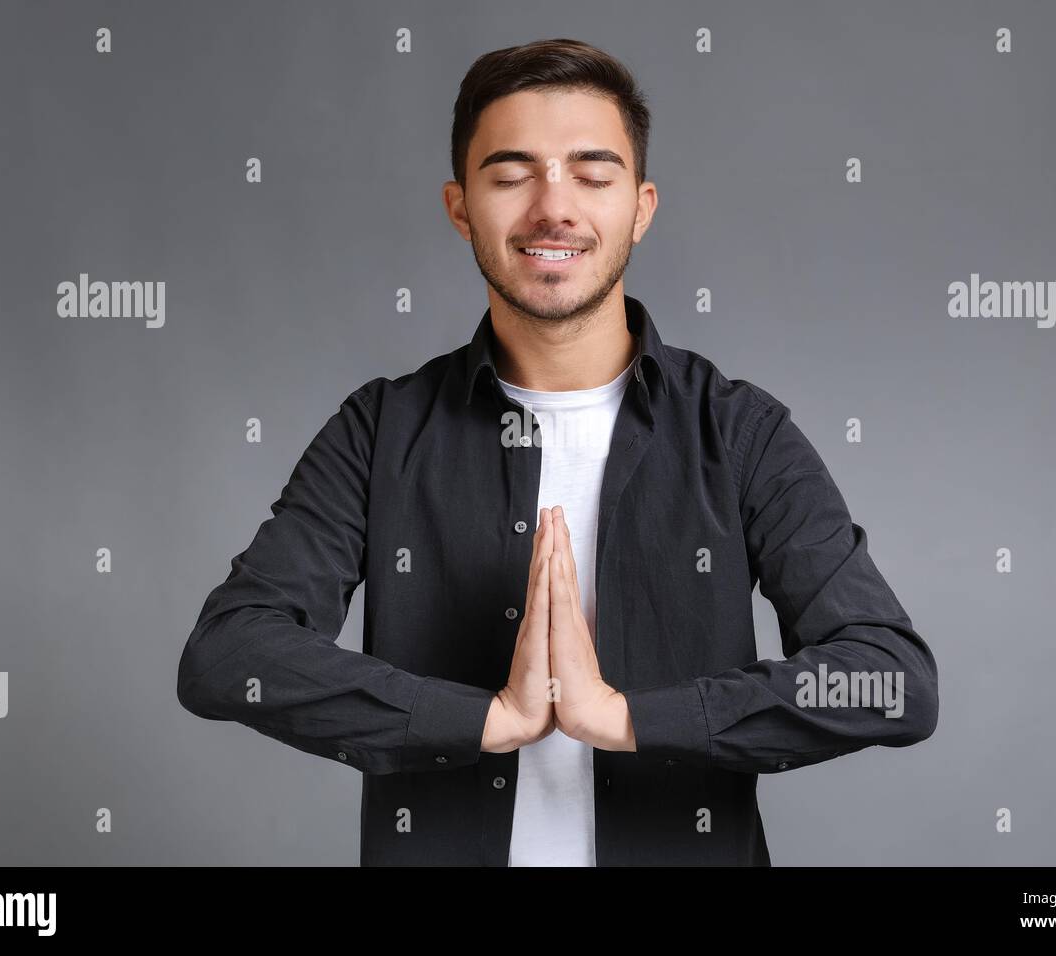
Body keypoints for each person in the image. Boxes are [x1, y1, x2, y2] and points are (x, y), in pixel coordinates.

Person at [177, 37, 938, 866]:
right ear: (460, 205)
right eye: (511, 175)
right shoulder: (381, 430)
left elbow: (892, 680)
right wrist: (481, 721)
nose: (553, 208)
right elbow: (228, 654)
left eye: (592, 172)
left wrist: (627, 719)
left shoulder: (739, 432)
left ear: (641, 207)